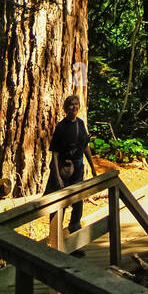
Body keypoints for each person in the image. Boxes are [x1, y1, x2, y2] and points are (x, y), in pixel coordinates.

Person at [45, 94, 96, 233]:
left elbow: (85, 146)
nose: (74, 107)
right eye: (71, 104)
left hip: (78, 169)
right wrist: (58, 177)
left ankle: (75, 235)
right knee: (60, 205)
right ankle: (56, 238)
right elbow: (55, 154)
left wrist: (92, 167)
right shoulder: (61, 127)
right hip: (64, 170)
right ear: (66, 108)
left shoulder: (80, 124)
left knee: (78, 203)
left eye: (76, 104)